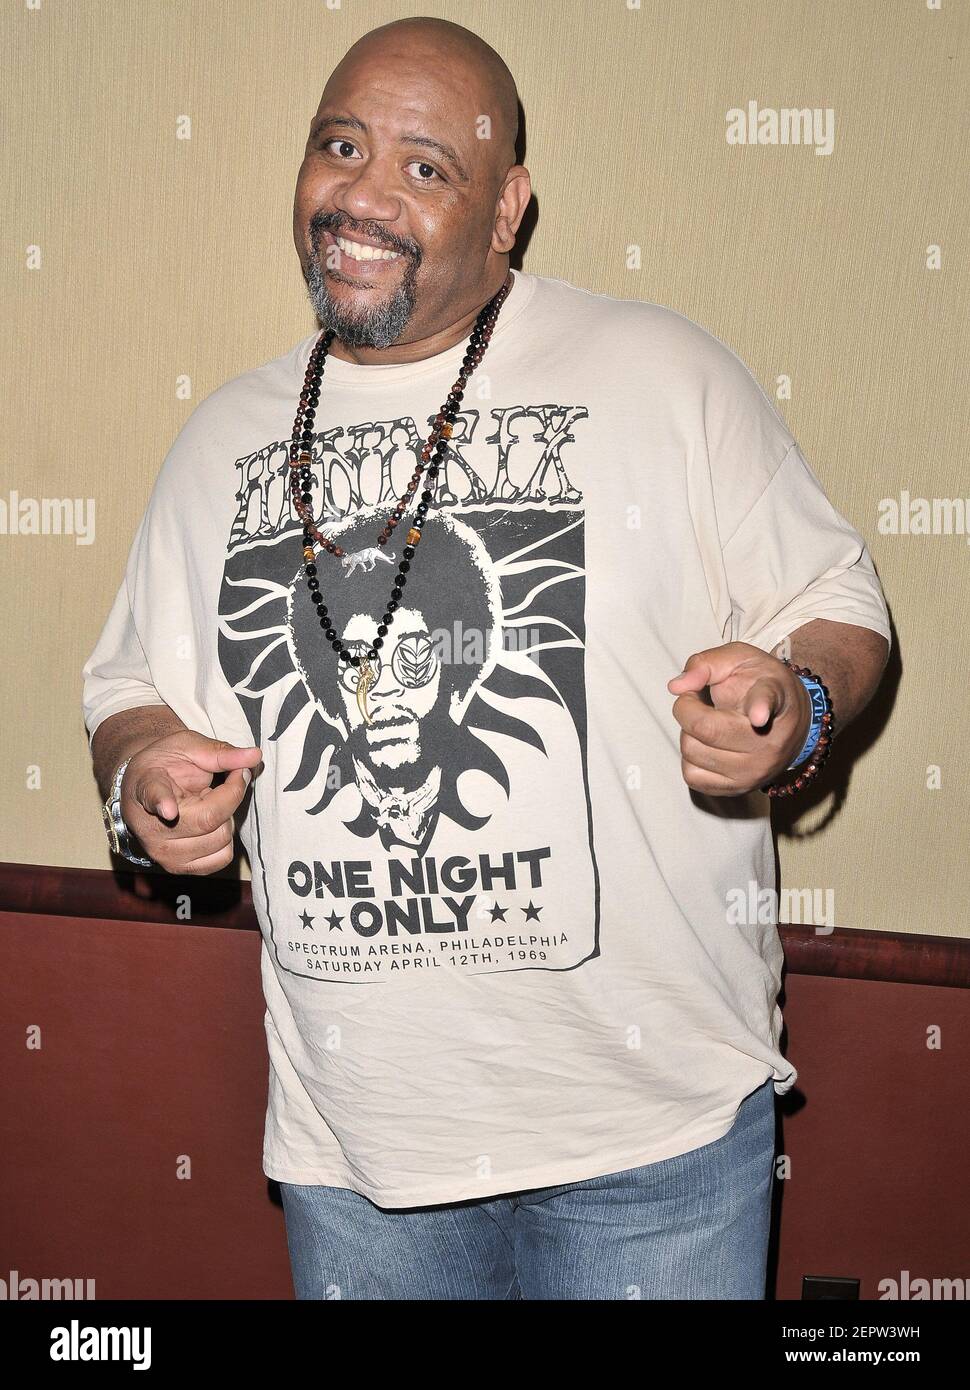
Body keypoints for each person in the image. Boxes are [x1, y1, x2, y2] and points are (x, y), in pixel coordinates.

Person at [82, 16, 891, 1300]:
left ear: (508, 208)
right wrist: (143, 777)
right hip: (362, 1156)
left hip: (653, 1139)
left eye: (424, 166)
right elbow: (131, 691)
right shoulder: (221, 438)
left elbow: (837, 602)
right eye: (340, 146)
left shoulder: (660, 372)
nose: (362, 195)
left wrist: (793, 704)